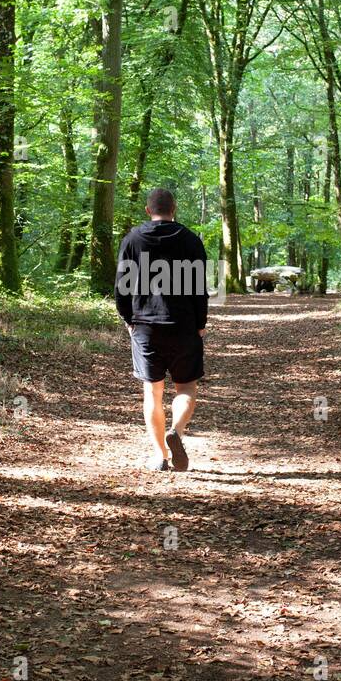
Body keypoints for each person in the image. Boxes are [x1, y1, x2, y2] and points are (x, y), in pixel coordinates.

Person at [115, 188, 208, 472]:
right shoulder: (191, 240)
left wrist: (128, 319)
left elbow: (121, 287)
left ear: (147, 210)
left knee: (152, 392)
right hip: (183, 326)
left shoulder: (132, 239)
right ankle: (176, 433)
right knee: (186, 387)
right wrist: (200, 323)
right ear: (174, 209)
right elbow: (200, 288)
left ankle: (160, 457)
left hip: (145, 326)